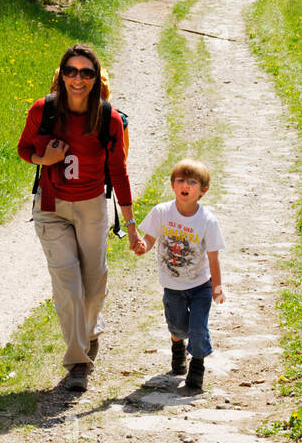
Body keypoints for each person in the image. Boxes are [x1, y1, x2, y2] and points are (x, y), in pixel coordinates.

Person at [18, 43, 143, 392]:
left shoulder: (109, 119)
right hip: (51, 206)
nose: (78, 78)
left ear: (94, 79)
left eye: (86, 73)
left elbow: (119, 173)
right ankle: (77, 361)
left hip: (91, 206)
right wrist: (45, 161)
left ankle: (90, 330)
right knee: (68, 286)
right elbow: (23, 149)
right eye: (71, 71)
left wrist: (131, 227)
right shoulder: (43, 110)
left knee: (94, 284)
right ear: (61, 76)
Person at [135, 159, 226, 391]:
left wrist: (217, 288)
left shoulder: (207, 221)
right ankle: (177, 346)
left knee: (198, 328)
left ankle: (197, 367)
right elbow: (149, 238)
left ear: (203, 190)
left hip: (200, 285)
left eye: (192, 182)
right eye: (181, 180)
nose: (186, 185)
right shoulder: (162, 212)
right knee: (178, 327)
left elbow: (214, 258)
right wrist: (143, 246)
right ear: (173, 185)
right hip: (172, 285)